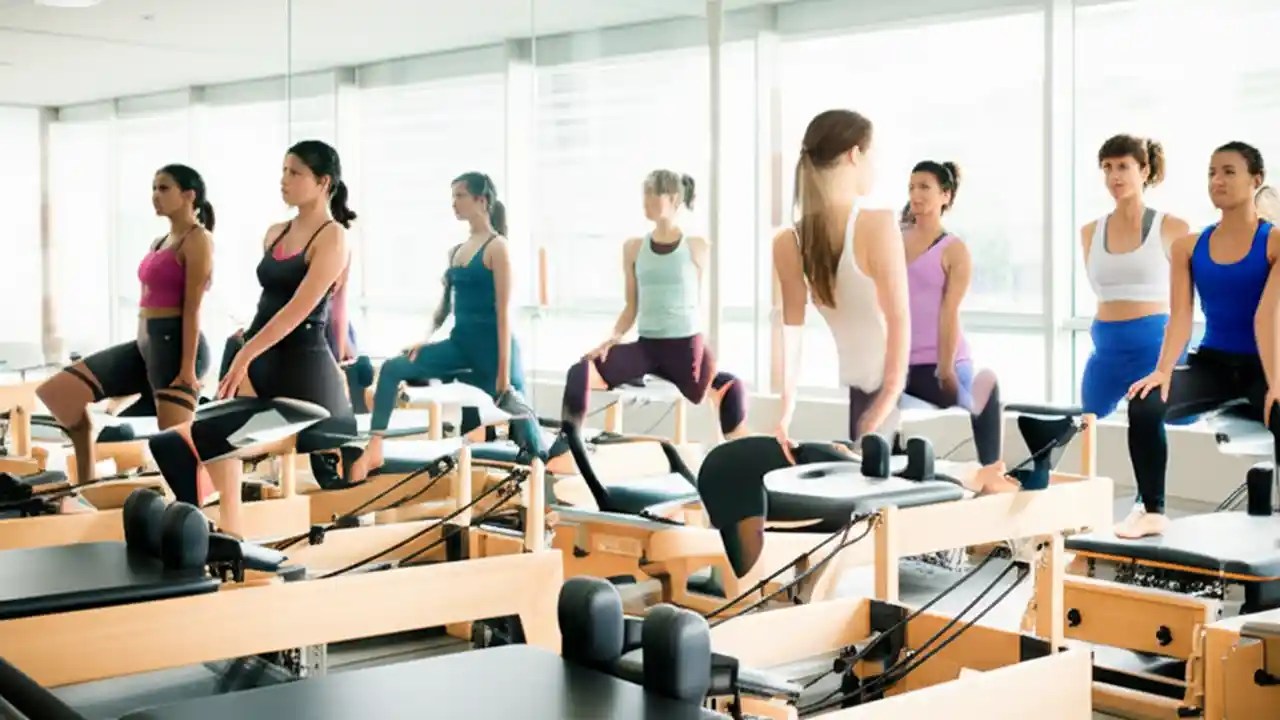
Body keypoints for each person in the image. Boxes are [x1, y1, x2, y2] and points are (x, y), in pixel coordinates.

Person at [153, 140, 357, 538]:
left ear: (322, 182)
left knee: (213, 436)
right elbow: (269, 302)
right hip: (260, 358)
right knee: (169, 442)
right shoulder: (275, 233)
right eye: (283, 171)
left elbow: (299, 310)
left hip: (304, 375)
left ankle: (228, 532)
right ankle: (218, 527)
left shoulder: (333, 237)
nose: (284, 180)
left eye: (294, 173)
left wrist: (246, 352)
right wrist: (245, 343)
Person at [1123, 141, 1280, 538]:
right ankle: (1152, 509)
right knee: (1144, 405)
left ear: (1255, 180)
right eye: (1212, 172)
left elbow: (1268, 318)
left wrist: (1276, 383)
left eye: (1229, 171)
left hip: (1265, 364)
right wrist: (1162, 372)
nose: (1217, 180)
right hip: (1213, 363)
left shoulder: (1275, 241)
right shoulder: (1189, 247)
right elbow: (1180, 318)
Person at [36, 164, 214, 512]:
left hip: (176, 345)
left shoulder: (198, 239)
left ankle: (200, 521)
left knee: (176, 450)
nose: (155, 196)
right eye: (153, 187)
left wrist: (188, 370)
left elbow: (193, 309)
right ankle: (86, 485)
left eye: (164, 188)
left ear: (189, 195)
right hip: (145, 345)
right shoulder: (159, 240)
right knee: (59, 393)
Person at [347, 172, 541, 483]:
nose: (454, 203)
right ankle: (374, 447)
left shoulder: (497, 248)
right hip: (460, 346)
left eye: (460, 196)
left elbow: (504, 315)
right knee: (394, 368)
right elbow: (442, 311)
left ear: (482, 200)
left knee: (527, 437)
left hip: (495, 353)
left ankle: (542, 472)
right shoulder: (455, 252)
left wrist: (504, 379)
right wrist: (422, 341)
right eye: (452, 197)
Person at [557, 170, 747, 444]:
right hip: (647, 348)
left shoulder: (696, 246)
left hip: (685, 349)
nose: (645, 200)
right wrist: (610, 341)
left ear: (673, 198)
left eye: (652, 193)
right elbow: (631, 306)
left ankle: (741, 450)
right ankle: (569, 447)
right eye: (644, 193)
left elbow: (705, 303)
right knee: (580, 371)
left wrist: (710, 349)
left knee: (725, 387)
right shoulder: (634, 248)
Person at [901, 160, 1008, 491]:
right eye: (912, 187)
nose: (916, 195)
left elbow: (949, 313)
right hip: (903, 364)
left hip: (946, 362)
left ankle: (992, 472)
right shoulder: (892, 241)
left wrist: (945, 370)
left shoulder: (954, 250)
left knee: (984, 389)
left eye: (925, 187)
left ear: (945, 196)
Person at [1080, 134, 1190, 421]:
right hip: (1106, 348)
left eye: (1123, 166)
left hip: (1154, 347)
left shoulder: (1173, 227)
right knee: (1087, 429)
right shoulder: (1089, 231)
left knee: (1168, 433)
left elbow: (1187, 302)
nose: (1114, 176)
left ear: (1144, 171)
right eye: (1107, 167)